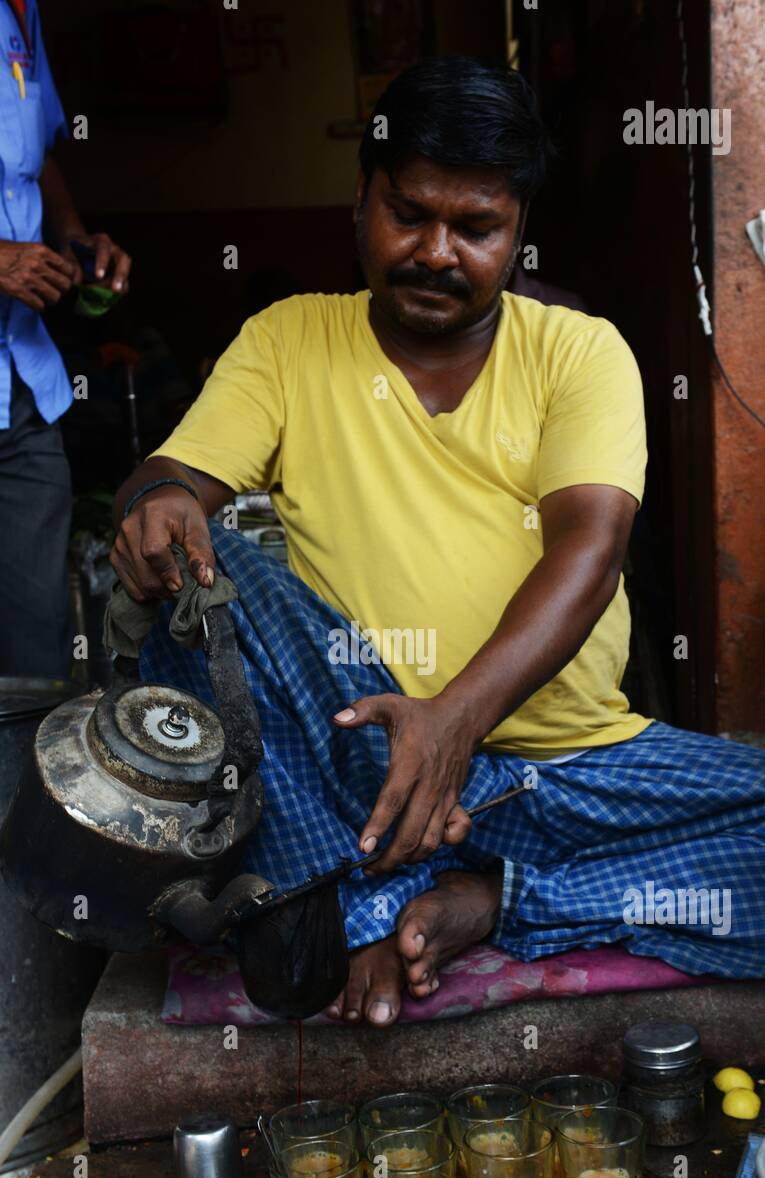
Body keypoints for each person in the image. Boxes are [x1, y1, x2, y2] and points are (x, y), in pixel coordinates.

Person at [110, 57, 765, 1026]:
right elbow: (171, 480)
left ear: (519, 235)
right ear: (359, 203)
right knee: (219, 574)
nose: (436, 251)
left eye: (475, 228)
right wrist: (158, 505)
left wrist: (454, 723)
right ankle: (379, 888)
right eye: (409, 213)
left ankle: (484, 902)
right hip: (362, 780)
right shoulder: (288, 341)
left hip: (567, 771)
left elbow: (589, 549)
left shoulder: (581, 353)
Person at [0, 0, 130, 677]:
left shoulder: (22, 14)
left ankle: (19, 783)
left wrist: (75, 237)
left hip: (23, 388)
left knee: (35, 653)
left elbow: (33, 157)